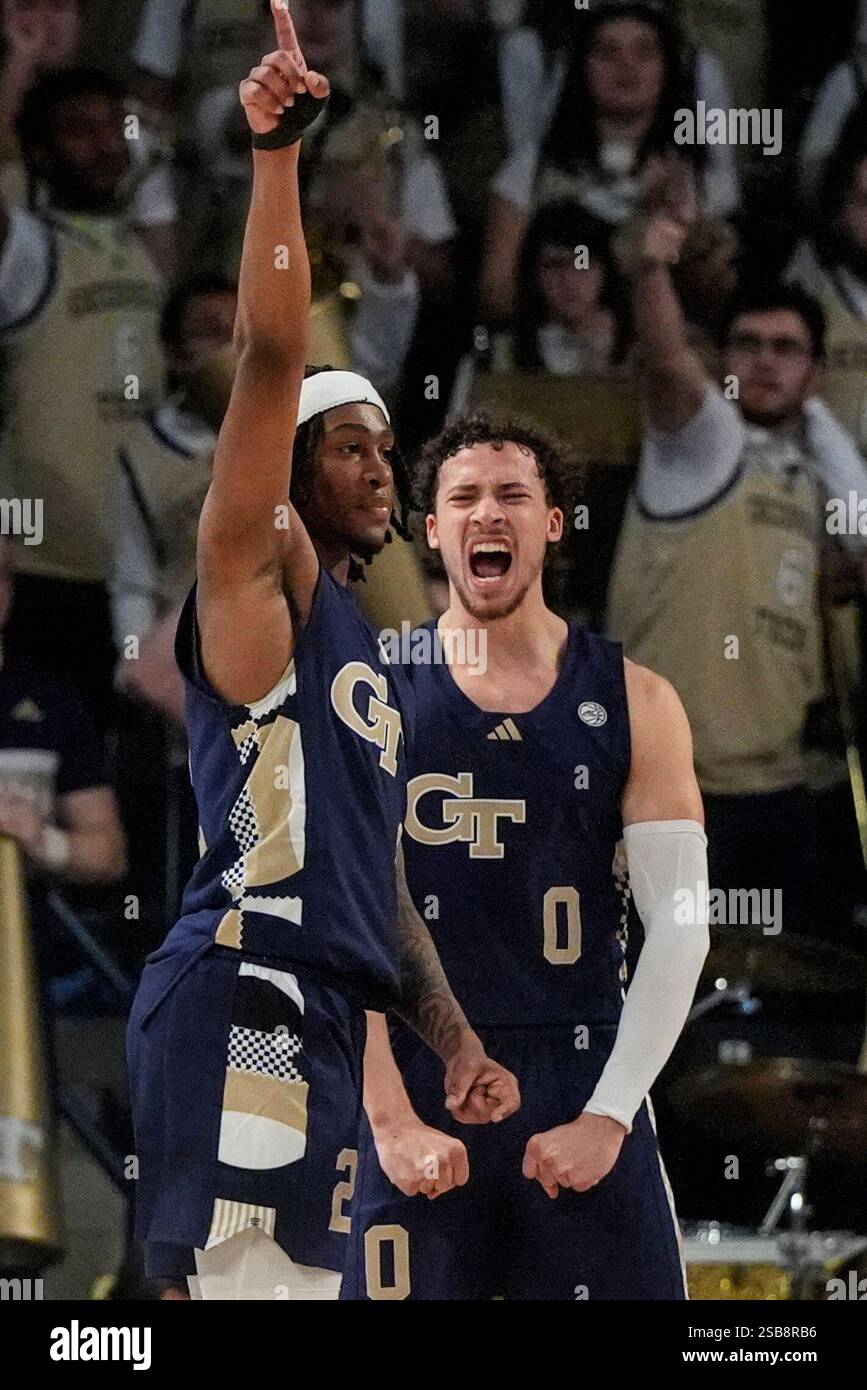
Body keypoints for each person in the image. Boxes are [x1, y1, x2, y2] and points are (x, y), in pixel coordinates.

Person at [126, 0, 518, 1303]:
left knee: (266, 1297)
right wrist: (284, 159)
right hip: (240, 979)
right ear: (286, 472)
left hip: (314, 998)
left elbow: (375, 880)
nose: (381, 462)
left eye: (378, 444)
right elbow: (272, 353)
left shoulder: (359, 645)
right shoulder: (257, 567)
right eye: (349, 443)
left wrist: (453, 1040)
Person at [341, 410, 710, 1300]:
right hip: (419, 1068)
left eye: (512, 494)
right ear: (430, 530)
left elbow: (684, 927)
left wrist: (608, 1114)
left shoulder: (638, 699)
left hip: (582, 1067)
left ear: (553, 522)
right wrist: (388, 1120)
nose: (486, 514)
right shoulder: (372, 694)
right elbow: (338, 922)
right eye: (461, 497)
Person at [607, 185, 867, 935]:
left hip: (779, 794)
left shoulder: (814, 476)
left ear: (816, 373)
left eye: (786, 350)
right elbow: (663, 364)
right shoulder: (702, 444)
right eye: (746, 345)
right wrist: (648, 273)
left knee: (775, 1018)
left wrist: (815, 425)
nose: (763, 363)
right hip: (671, 789)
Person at [0, 67, 165, 726]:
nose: (103, 145)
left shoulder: (143, 250)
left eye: (113, 127)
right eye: (78, 130)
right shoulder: (28, 250)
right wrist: (13, 77)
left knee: (140, 776)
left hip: (135, 570)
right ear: (38, 152)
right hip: (45, 567)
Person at [481, 0, 738, 320]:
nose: (627, 66)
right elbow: (496, 293)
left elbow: (716, 301)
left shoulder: (703, 182)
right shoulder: (528, 170)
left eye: (645, 53)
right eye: (607, 53)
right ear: (581, 69)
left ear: (667, 69)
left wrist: (676, 232)